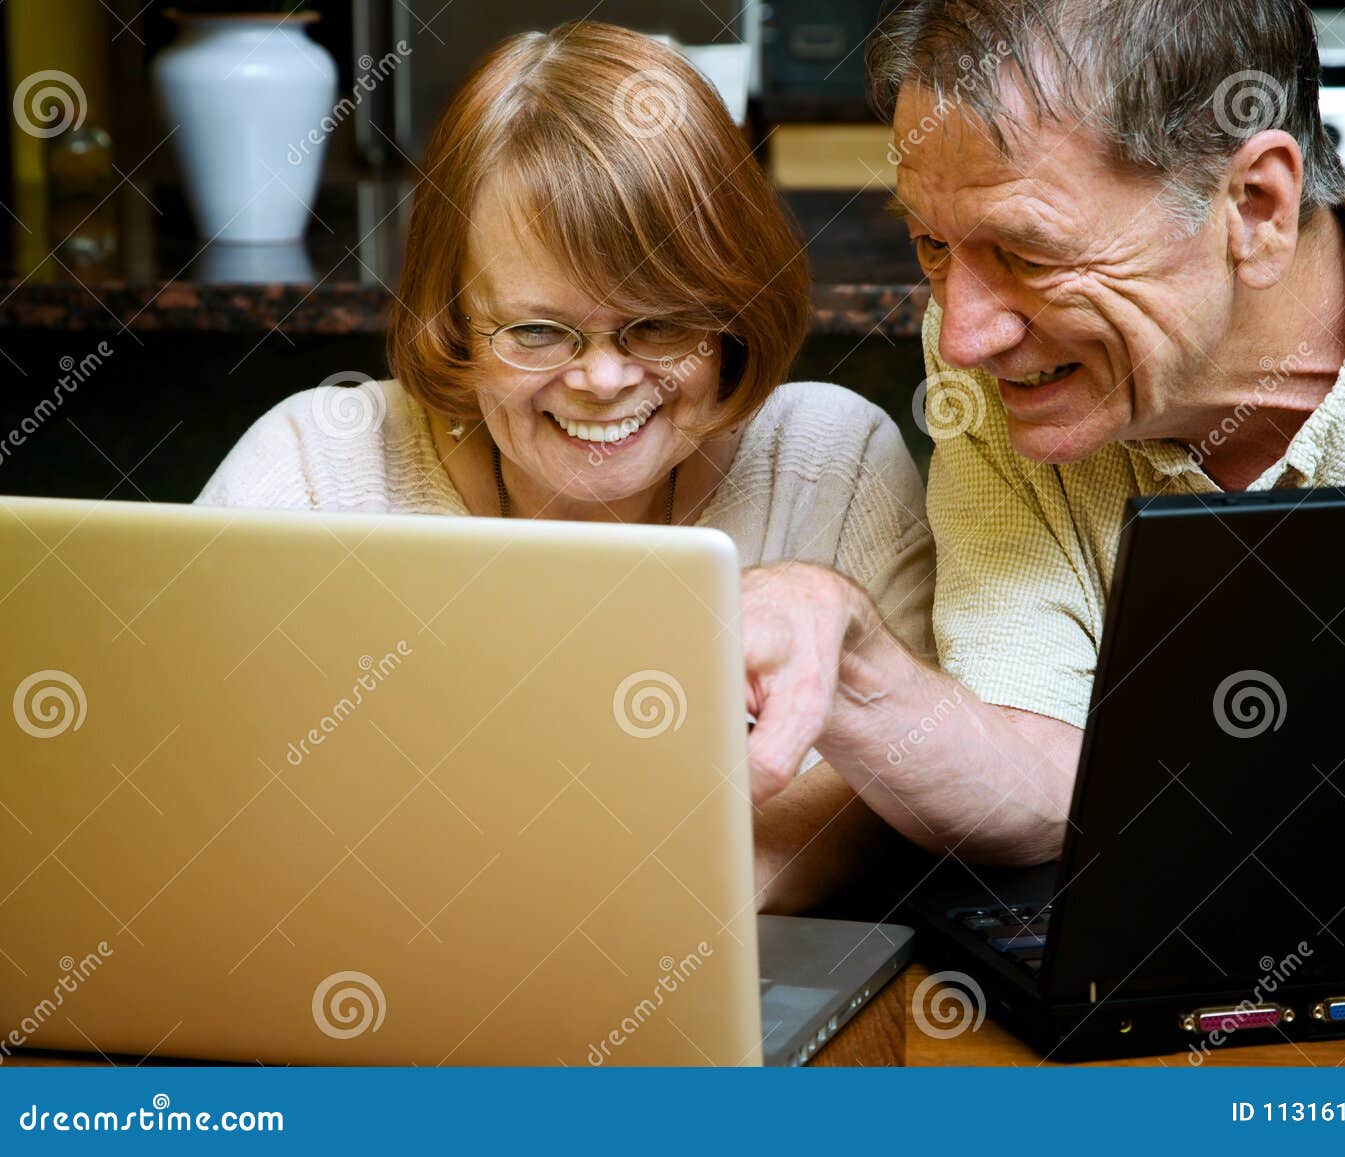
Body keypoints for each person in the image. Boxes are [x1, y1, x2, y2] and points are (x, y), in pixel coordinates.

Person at [738, 0, 1345, 865]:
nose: (964, 335)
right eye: (931, 244)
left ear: (1255, 208)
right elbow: (1040, 776)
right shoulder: (1006, 354)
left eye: (1031, 256)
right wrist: (855, 659)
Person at [196, 23, 934, 912]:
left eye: (659, 324)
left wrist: (684, 899)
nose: (601, 379)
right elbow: (177, 781)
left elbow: (911, 778)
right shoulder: (316, 463)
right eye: (538, 331)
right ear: (457, 321)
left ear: (733, 311)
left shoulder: (832, 462)